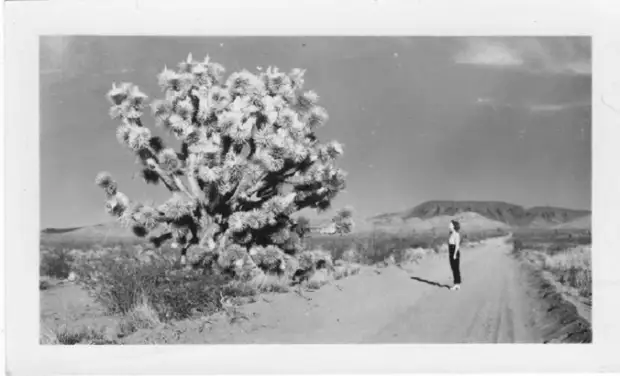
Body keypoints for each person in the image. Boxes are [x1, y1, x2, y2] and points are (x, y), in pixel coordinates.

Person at [448, 219, 462, 290]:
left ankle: (457, 283)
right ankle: (456, 283)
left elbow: (457, 246)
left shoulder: (456, 234)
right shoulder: (451, 234)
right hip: (451, 251)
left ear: (453, 226)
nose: (449, 225)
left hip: (454, 251)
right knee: (453, 268)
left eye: (450, 224)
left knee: (456, 268)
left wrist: (454, 254)